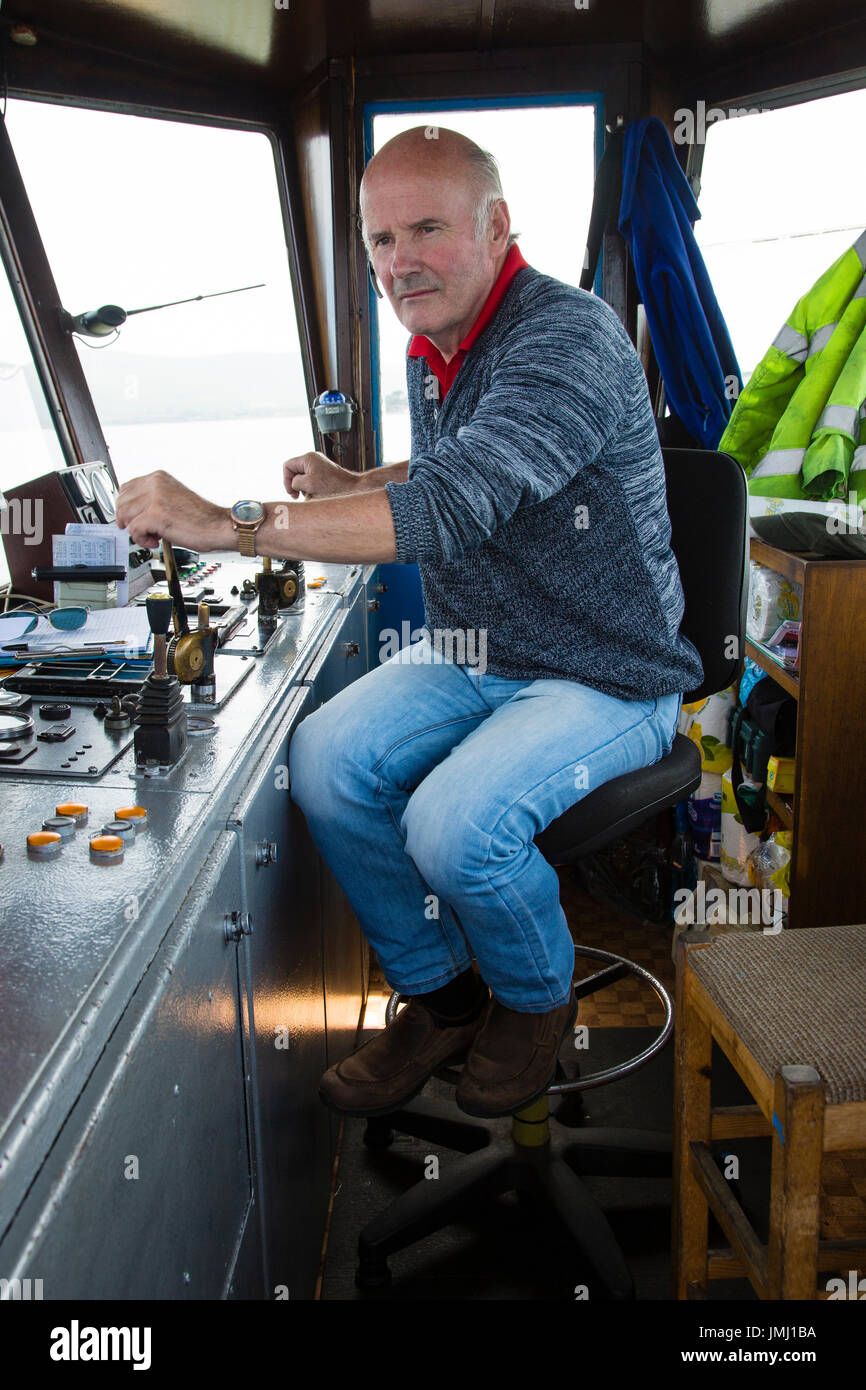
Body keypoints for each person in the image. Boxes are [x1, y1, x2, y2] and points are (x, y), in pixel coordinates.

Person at [116, 126, 702, 1120]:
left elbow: (454, 503)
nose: (397, 262)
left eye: (424, 229)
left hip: (606, 672)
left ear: (495, 225)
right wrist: (359, 483)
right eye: (379, 239)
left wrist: (229, 523)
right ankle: (442, 995)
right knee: (326, 757)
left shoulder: (565, 337)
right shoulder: (437, 340)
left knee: (451, 826)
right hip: (480, 654)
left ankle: (532, 999)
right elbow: (450, 468)